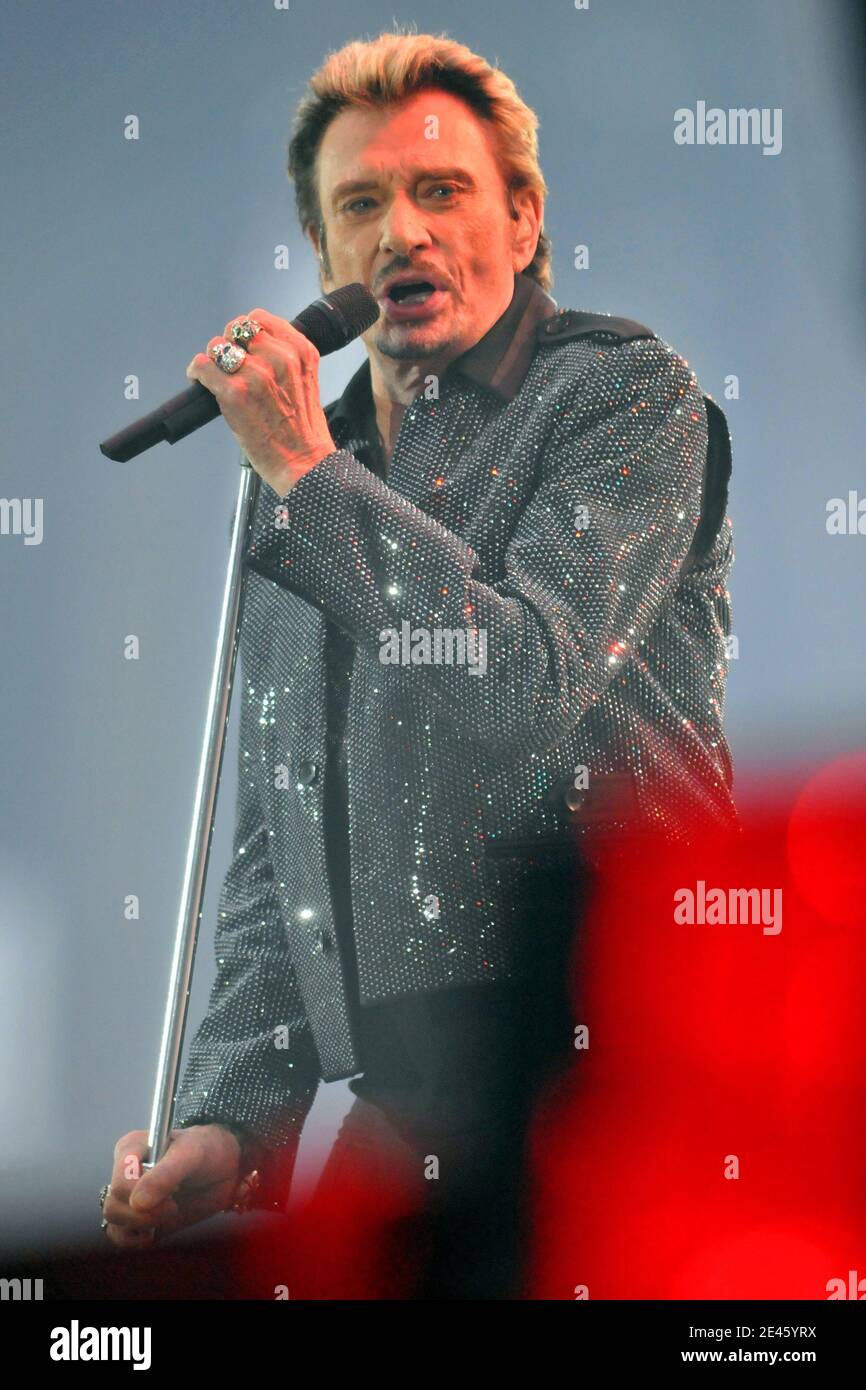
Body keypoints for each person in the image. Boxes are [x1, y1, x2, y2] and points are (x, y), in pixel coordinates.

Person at [102, 30, 737, 1297]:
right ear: (323, 252)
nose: (402, 230)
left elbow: (521, 683)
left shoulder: (622, 402)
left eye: (440, 190)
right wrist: (226, 1126)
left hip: (610, 1077)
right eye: (359, 205)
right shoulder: (314, 462)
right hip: (400, 1118)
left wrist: (303, 475)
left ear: (521, 215)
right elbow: (284, 849)